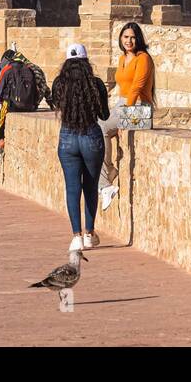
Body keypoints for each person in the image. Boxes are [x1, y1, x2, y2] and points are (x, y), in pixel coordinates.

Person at [50, 44, 109, 251]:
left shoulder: (59, 84)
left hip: (67, 137)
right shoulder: (96, 84)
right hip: (91, 136)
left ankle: (76, 236)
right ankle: (89, 234)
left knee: (72, 188)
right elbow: (104, 116)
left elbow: (54, 104)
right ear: (86, 62)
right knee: (90, 187)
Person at [98, 21, 157, 210]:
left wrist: (124, 118)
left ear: (137, 38)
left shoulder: (143, 58)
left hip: (140, 108)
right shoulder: (123, 58)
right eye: (125, 37)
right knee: (97, 124)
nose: (129, 41)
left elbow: (137, 87)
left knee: (103, 127)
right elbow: (123, 89)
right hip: (123, 104)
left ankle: (105, 182)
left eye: (132, 37)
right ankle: (108, 172)